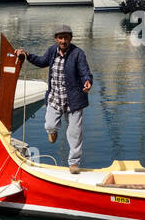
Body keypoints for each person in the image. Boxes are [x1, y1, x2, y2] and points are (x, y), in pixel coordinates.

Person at [16, 24, 93, 174]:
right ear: (56, 39)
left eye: (66, 37)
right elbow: (42, 61)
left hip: (74, 100)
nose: (63, 40)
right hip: (55, 97)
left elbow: (85, 71)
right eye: (60, 38)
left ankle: (74, 163)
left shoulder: (78, 54)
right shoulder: (52, 51)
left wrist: (87, 81)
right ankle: (53, 131)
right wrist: (27, 55)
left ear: (71, 38)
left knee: (75, 134)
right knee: (50, 124)